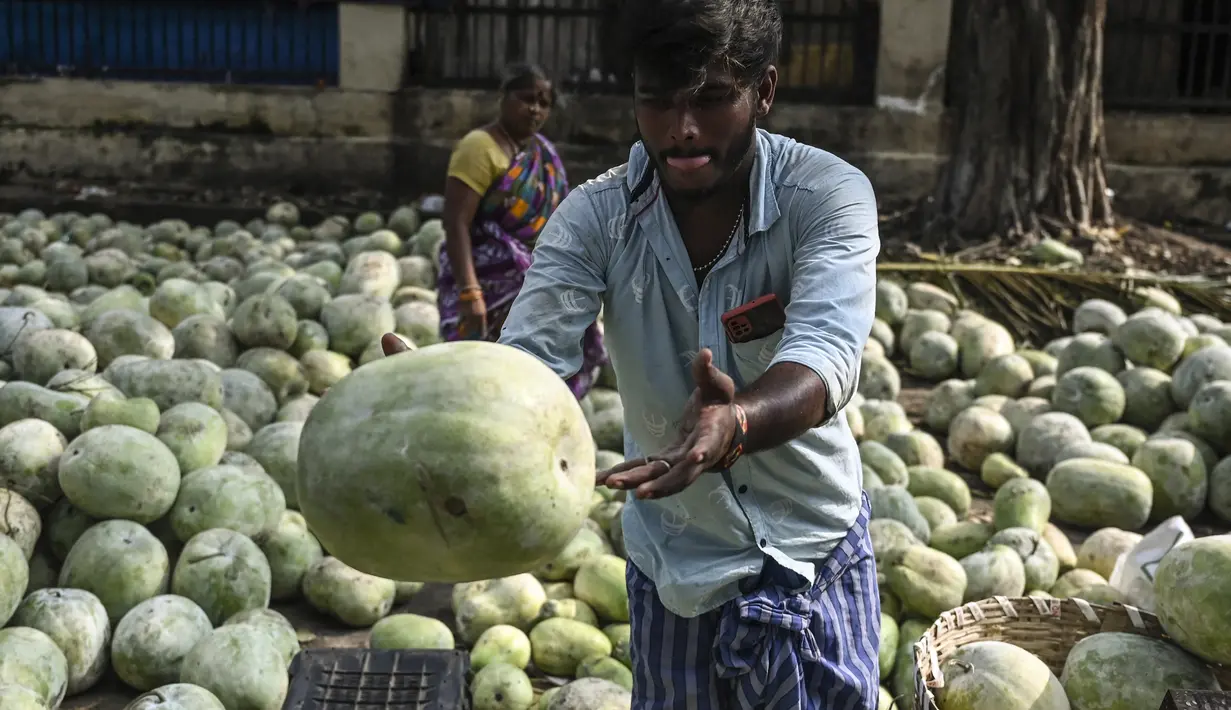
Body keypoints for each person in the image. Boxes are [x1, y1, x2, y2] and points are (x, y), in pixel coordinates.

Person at [384, 0, 881, 706]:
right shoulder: (595, 217)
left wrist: (735, 422)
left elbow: (825, 353)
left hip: (811, 550)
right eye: (657, 101)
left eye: (710, 99)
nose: (681, 129)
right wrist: (432, 394)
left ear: (763, 91)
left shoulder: (825, 197)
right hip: (677, 562)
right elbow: (527, 364)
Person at [436, 62, 608, 398]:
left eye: (544, 103)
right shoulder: (479, 147)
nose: (535, 109)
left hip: (535, 273)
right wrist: (470, 293)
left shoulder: (542, 153)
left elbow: (558, 221)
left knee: (531, 377)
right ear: (503, 98)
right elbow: (456, 222)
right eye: (526, 98)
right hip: (486, 277)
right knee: (480, 376)